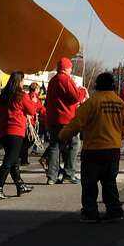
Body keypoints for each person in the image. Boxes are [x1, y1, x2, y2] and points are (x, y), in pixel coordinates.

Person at [59, 72, 124, 223]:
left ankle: (90, 212)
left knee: (89, 184)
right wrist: (118, 137)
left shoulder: (91, 103)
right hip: (113, 150)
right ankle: (114, 211)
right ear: (113, 85)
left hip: (93, 150)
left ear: (97, 85)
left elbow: (77, 123)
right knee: (110, 182)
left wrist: (62, 136)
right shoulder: (120, 103)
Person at [0, 71, 40, 200]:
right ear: (19, 81)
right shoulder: (21, 96)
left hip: (4, 131)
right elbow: (32, 110)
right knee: (9, 161)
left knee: (13, 160)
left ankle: (20, 185)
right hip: (16, 130)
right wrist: (34, 101)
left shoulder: (4, 95)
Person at [43, 57, 82, 185]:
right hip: (66, 119)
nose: (71, 70)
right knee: (74, 144)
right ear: (66, 68)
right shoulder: (65, 79)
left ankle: (52, 176)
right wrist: (82, 91)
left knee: (55, 147)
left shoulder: (53, 80)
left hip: (53, 119)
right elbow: (75, 97)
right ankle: (69, 173)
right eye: (70, 67)